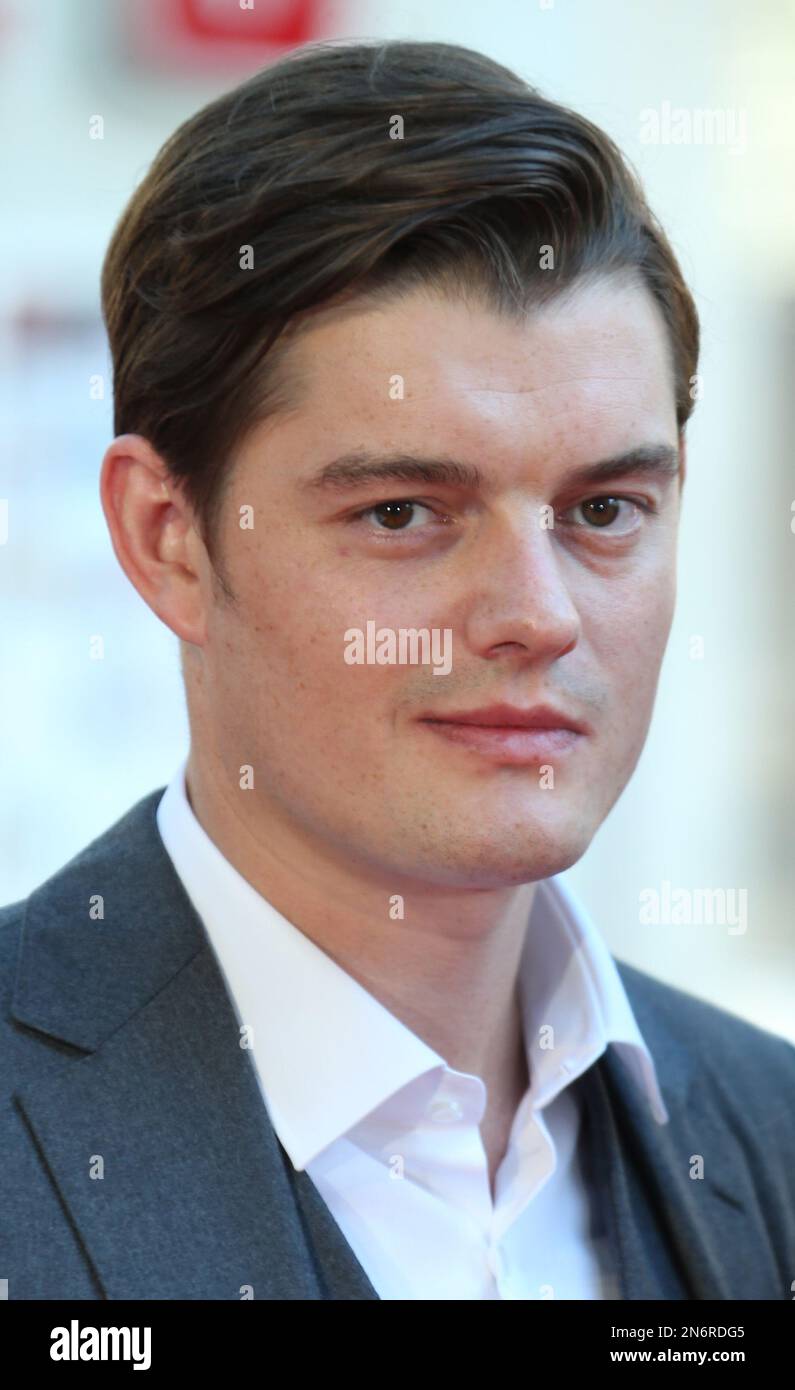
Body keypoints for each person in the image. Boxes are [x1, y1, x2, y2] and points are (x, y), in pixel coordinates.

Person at [2, 38, 793, 1301]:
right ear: (169, 541)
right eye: (404, 513)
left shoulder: (773, 1132)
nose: (537, 617)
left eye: (603, 512)